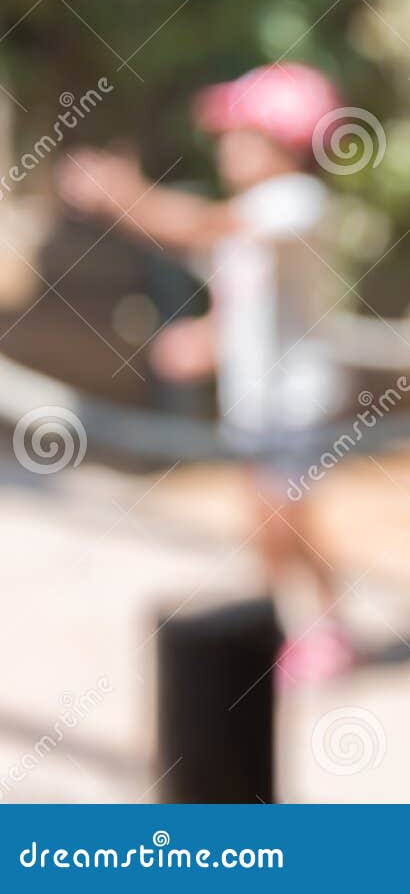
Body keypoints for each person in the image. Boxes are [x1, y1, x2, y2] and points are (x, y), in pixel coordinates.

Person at [58, 62, 354, 684]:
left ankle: (323, 627)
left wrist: (120, 195)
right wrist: (207, 340)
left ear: (286, 145)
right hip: (256, 398)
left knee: (286, 520)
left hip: (293, 399)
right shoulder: (254, 214)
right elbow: (238, 295)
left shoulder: (293, 202)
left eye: (242, 135)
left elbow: (194, 224)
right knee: (268, 523)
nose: (227, 146)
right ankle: (297, 626)